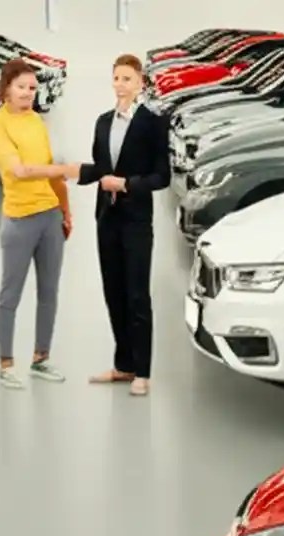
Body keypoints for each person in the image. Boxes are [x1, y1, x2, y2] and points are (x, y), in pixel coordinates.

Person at [0, 58, 81, 390]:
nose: (28, 93)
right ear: (6, 87)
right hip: (20, 220)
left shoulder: (37, 121)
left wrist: (65, 210)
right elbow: (19, 171)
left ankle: (41, 359)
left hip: (50, 216)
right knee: (10, 295)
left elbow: (49, 167)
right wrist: (65, 171)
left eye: (33, 88)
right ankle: (6, 364)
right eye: (22, 87)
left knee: (49, 292)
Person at [77, 54, 171, 397]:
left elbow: (162, 176)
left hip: (135, 221)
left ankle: (142, 371)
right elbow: (101, 167)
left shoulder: (152, 123)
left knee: (136, 296)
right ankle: (123, 365)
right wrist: (64, 171)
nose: (120, 85)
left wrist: (128, 184)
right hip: (107, 219)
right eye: (116, 78)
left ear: (140, 83)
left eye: (127, 79)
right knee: (113, 293)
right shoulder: (103, 122)